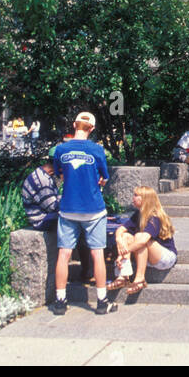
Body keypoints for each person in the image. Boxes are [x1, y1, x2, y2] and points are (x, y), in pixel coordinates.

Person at [50, 111, 116, 316]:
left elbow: (59, 173)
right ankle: (102, 301)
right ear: (92, 129)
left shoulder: (60, 149)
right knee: (97, 254)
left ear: (74, 125)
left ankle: (60, 301)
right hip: (93, 209)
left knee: (64, 253)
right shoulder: (97, 150)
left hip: (68, 208)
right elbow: (104, 177)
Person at [108, 185, 177, 296]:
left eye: (136, 195)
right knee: (125, 236)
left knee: (140, 237)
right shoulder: (138, 214)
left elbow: (143, 240)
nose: (133, 198)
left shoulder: (155, 217)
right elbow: (121, 229)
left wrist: (122, 253)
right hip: (148, 256)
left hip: (165, 257)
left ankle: (140, 279)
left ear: (145, 199)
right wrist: (118, 240)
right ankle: (123, 276)